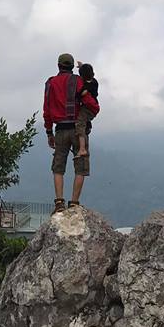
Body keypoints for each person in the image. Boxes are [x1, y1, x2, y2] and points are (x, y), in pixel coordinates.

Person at [44, 53, 101, 213]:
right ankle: (74, 203)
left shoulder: (50, 83)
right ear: (71, 66)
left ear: (58, 66)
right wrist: (94, 109)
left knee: (58, 167)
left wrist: (49, 132)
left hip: (60, 130)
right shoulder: (77, 81)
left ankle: (59, 203)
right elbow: (89, 101)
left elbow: (47, 110)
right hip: (78, 130)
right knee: (80, 167)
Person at [75, 61, 99, 158]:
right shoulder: (94, 82)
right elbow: (87, 71)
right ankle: (88, 126)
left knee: (80, 123)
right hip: (93, 107)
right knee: (85, 121)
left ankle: (82, 149)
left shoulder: (86, 87)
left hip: (89, 108)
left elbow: (82, 93)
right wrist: (82, 66)